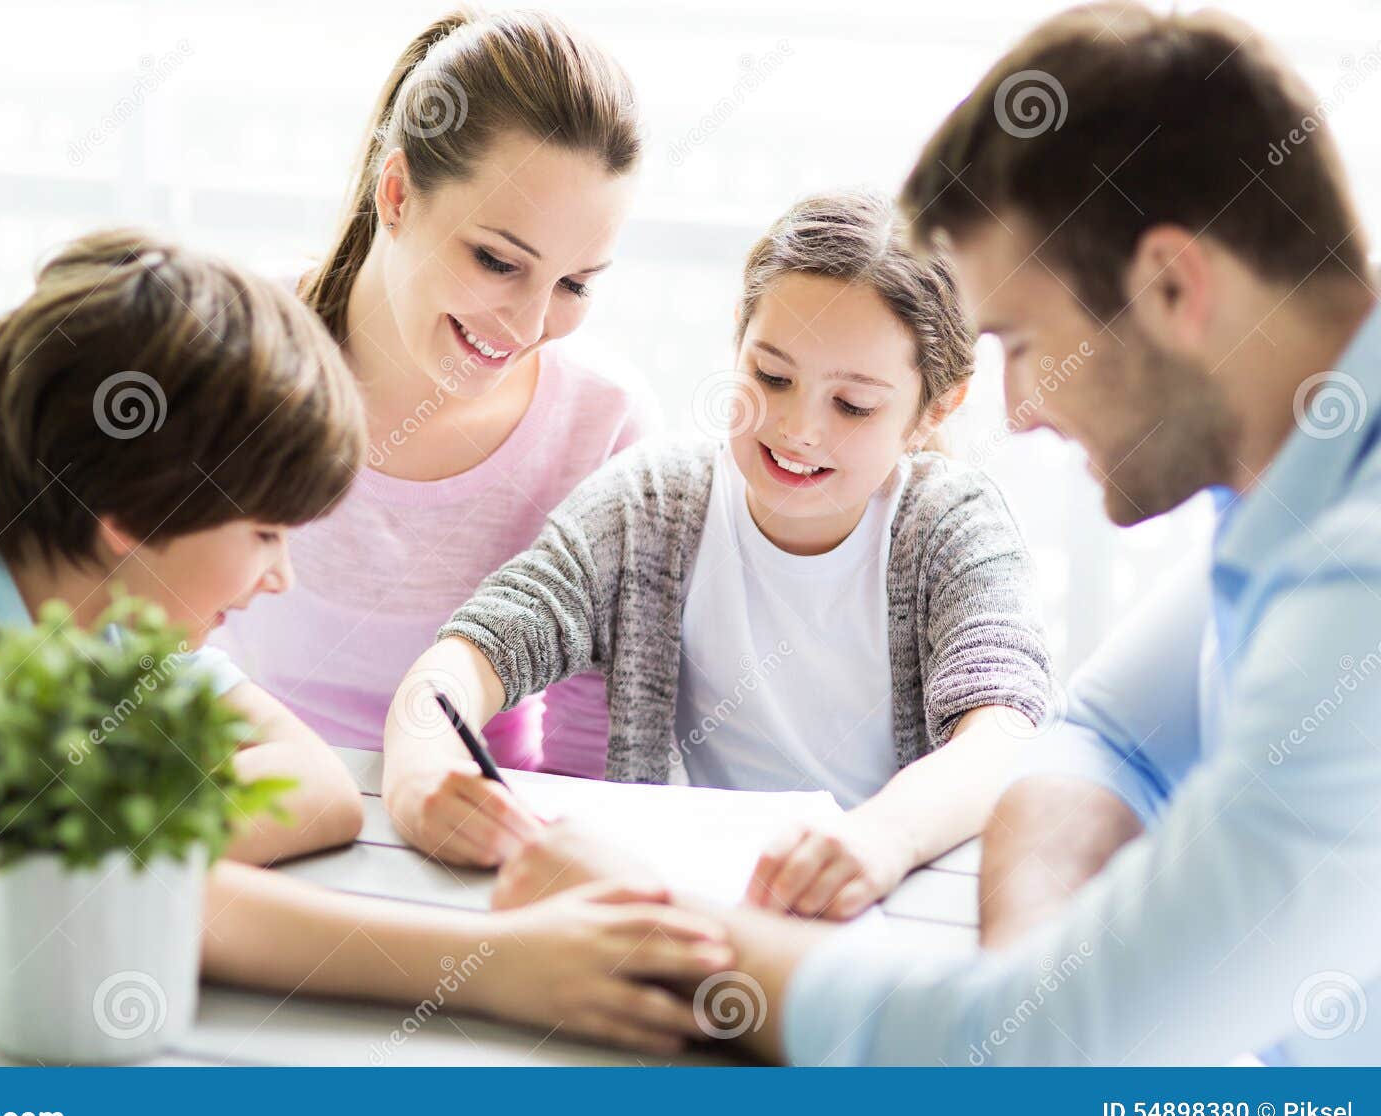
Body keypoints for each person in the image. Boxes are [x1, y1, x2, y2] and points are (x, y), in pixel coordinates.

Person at [504, 1, 1381, 1065]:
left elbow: (1031, 1058)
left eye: (1020, 339)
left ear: (1170, 286)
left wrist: (644, 913)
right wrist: (1039, 973)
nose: (1018, 408)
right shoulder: (1302, 485)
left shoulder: (1357, 582)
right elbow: (1102, 734)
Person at [0, 231, 729, 1053]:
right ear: (132, 517)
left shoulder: (114, 619)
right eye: (265, 533)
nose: (279, 575)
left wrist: (106, 858)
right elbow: (140, 915)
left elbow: (312, 785)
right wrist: (495, 967)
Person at [385, 190, 1053, 920]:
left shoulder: (950, 526)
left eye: (853, 406)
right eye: (771, 377)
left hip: (877, 904)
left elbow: (1005, 729)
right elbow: (482, 643)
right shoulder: (652, 504)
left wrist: (878, 841)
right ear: (738, 340)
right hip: (682, 900)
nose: (799, 429)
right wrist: (420, 772)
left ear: (934, 410)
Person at [218, 8, 655, 779]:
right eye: (496, 259)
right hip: (232, 802)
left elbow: (598, 730)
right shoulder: (232, 342)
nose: (528, 322)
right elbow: (121, 616)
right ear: (396, 194)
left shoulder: (605, 423)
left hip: (471, 823)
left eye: (576, 283)